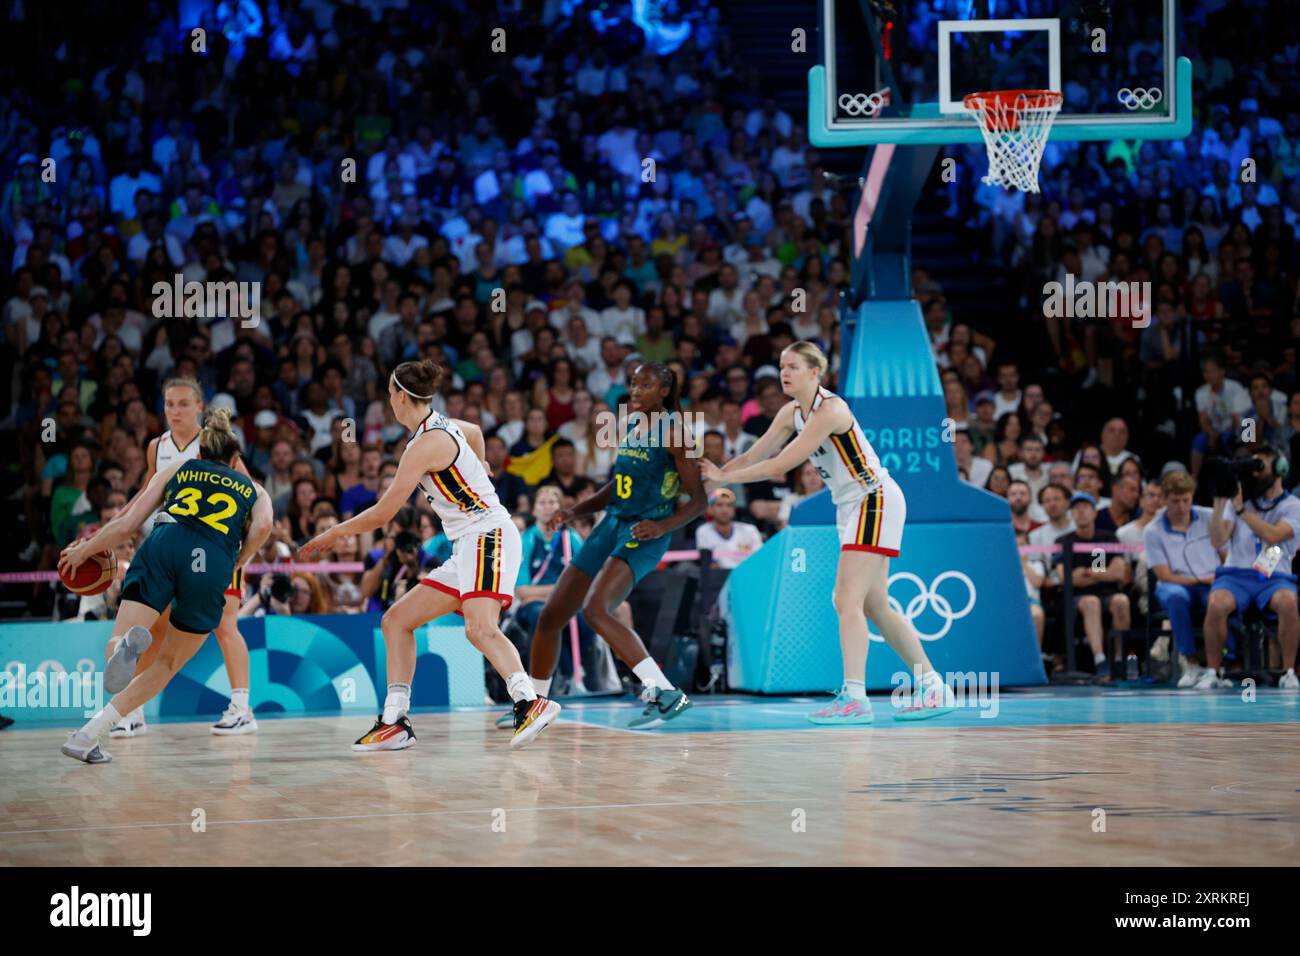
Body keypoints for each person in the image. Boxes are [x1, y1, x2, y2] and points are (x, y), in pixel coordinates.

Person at [298, 360, 560, 749]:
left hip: (488, 535)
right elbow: (472, 432)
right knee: (396, 620)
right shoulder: (439, 427)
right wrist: (482, 463)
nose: (389, 402)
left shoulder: (424, 445)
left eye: (390, 395)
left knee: (479, 628)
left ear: (401, 397)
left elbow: (385, 512)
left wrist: (336, 532)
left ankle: (529, 702)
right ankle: (395, 721)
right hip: (469, 544)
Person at [702, 341, 957, 722]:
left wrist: (725, 477)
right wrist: (718, 474)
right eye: (781, 366)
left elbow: (781, 464)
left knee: (845, 598)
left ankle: (856, 698)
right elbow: (757, 453)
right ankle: (934, 687)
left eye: (792, 366)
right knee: (874, 605)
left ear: (814, 373)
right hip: (851, 506)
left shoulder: (831, 409)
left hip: (874, 498)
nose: (784, 373)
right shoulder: (791, 411)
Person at [57, 409, 274, 763]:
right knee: (167, 663)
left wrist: (85, 549)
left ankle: (121, 653)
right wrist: (239, 559)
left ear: (199, 455)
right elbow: (263, 527)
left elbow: (127, 523)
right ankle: (89, 733)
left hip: (163, 543)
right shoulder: (254, 488)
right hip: (211, 559)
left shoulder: (177, 469)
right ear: (236, 460)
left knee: (122, 634)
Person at [521, 363, 707, 728]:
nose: (636, 391)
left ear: (664, 391)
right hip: (612, 522)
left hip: (643, 530)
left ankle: (666, 692)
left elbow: (698, 500)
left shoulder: (676, 434)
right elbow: (617, 484)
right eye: (634, 384)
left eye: (646, 385)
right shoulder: (634, 424)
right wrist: (576, 510)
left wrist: (661, 526)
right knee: (551, 615)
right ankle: (535, 704)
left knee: (596, 610)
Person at [112, 377, 260, 737]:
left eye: (181, 404)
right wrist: (118, 526)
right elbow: (148, 493)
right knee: (154, 627)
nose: (173, 411)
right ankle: (134, 710)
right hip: (170, 548)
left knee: (226, 624)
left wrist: (244, 549)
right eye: (168, 404)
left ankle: (242, 708)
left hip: (217, 549)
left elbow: (250, 492)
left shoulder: (216, 446)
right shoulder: (156, 447)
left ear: (199, 407)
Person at [1204, 444, 1300, 690]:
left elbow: (1274, 535)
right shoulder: (1237, 499)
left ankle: (1289, 672)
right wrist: (1218, 502)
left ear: (1280, 469)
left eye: (1260, 467)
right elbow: (1217, 540)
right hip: (1237, 574)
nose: (1254, 474)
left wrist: (1241, 510)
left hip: (1275, 575)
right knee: (1216, 603)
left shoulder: (1293, 505)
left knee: (1288, 601)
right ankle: (1213, 672)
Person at [1144, 471, 1221, 687]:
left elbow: (1226, 556)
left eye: (1186, 500)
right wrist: (1200, 580)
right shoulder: (1153, 530)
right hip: (1174, 584)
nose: (1181, 506)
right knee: (1176, 598)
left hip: (1211, 581)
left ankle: (1221, 665)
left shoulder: (1210, 517)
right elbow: (1163, 575)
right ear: (1164, 499)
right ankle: (1191, 663)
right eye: (1175, 501)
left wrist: (1218, 578)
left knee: (1220, 600)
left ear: (1192, 496)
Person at [1052, 492, 1131, 681]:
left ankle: (1119, 659)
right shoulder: (1063, 541)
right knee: (1091, 602)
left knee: (1122, 601)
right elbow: (1065, 578)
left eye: (1085, 507)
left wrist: (1086, 573)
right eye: (1076, 508)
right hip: (1076, 598)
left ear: (1095, 513)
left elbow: (1119, 572)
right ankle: (1100, 660)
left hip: (1108, 593)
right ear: (1071, 514)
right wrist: (1100, 574)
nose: (1081, 512)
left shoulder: (1107, 538)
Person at [694, 487, 763, 569]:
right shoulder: (703, 531)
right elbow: (708, 564)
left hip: (747, 575)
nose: (725, 510)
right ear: (710, 509)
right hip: (719, 578)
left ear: (734, 509)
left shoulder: (750, 530)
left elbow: (760, 560)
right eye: (719, 505)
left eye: (729, 505)